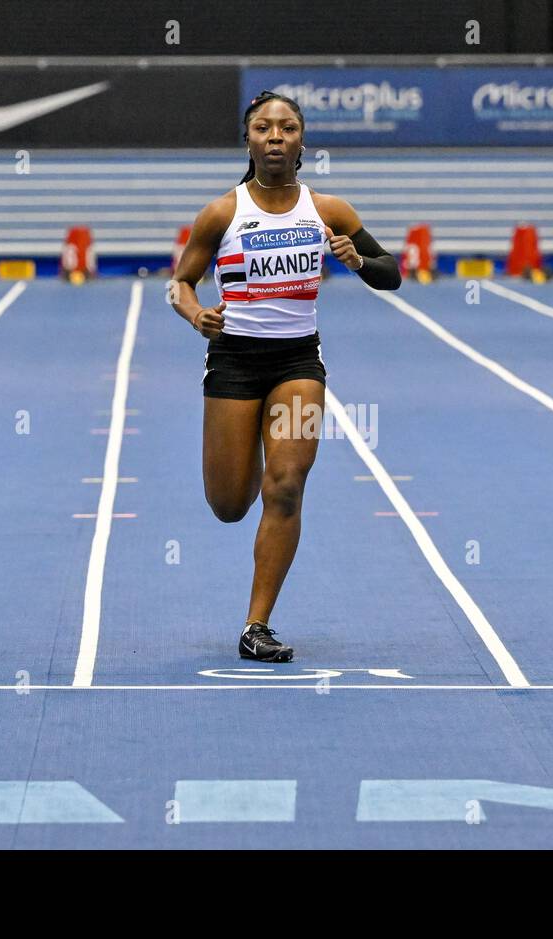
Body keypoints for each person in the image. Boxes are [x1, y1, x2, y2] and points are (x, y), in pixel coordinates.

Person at [170, 90, 401, 661]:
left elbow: (391, 274)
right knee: (228, 504)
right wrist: (197, 313)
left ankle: (257, 624)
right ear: (248, 140)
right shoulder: (223, 212)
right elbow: (179, 283)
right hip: (234, 361)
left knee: (288, 484)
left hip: (298, 362)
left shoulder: (329, 211)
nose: (275, 136)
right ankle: (244, 458)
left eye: (287, 127)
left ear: (302, 141)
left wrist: (358, 261)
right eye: (264, 128)